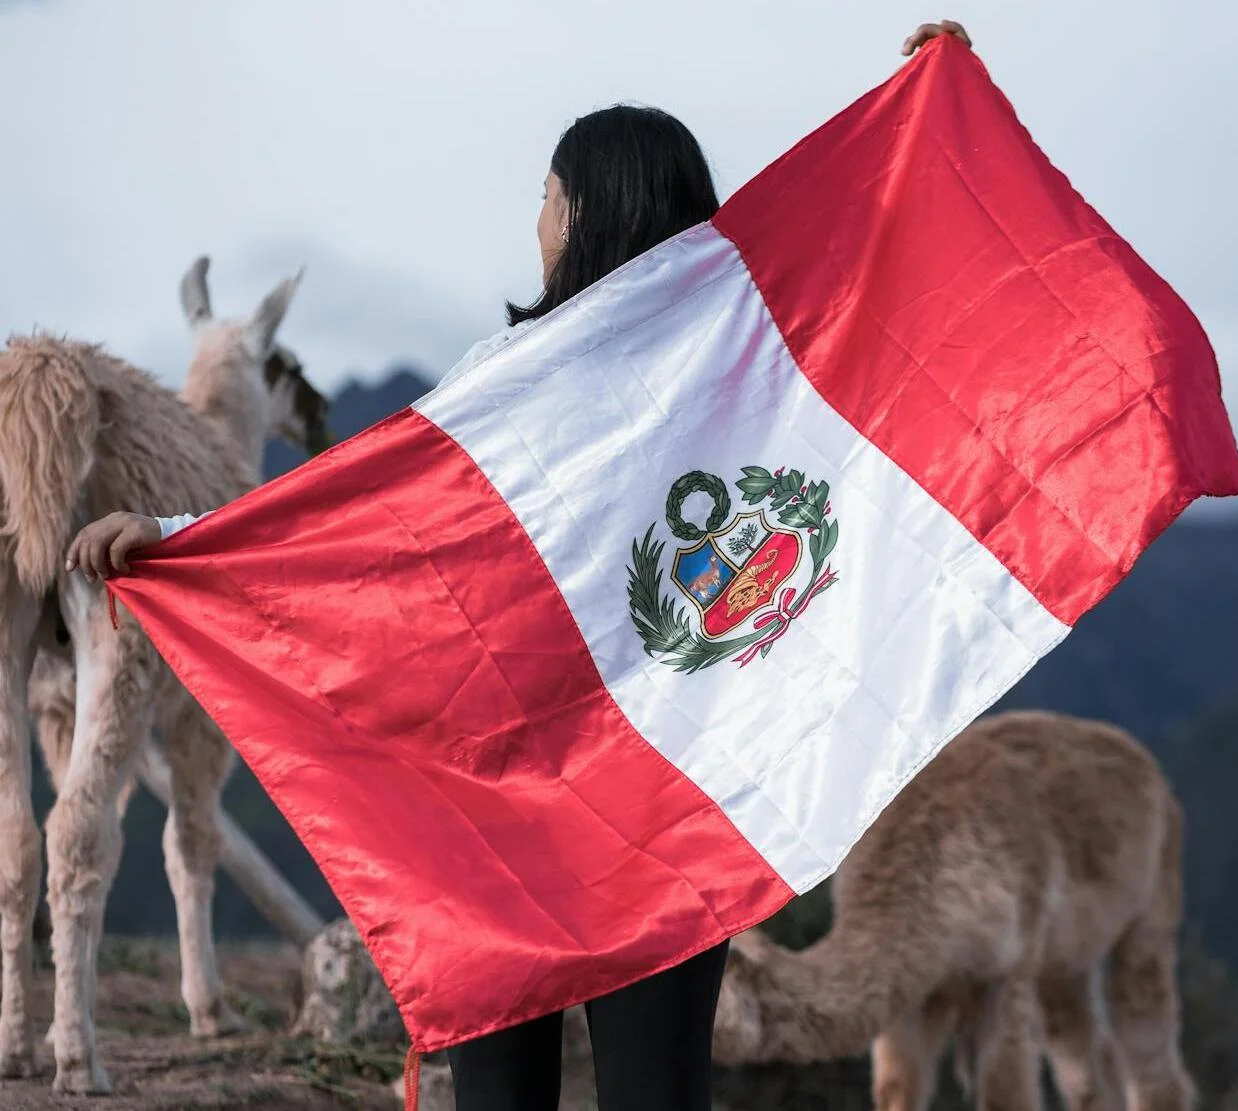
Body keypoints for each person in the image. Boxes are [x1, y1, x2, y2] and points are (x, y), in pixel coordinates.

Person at [66, 20, 971, 1110]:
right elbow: (374, 520)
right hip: (615, 825)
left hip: (537, 829)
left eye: (546, 194)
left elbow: (364, 537)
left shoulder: (723, 360)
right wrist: (180, 538)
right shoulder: (545, 380)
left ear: (588, 209)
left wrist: (922, 110)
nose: (533, 218)